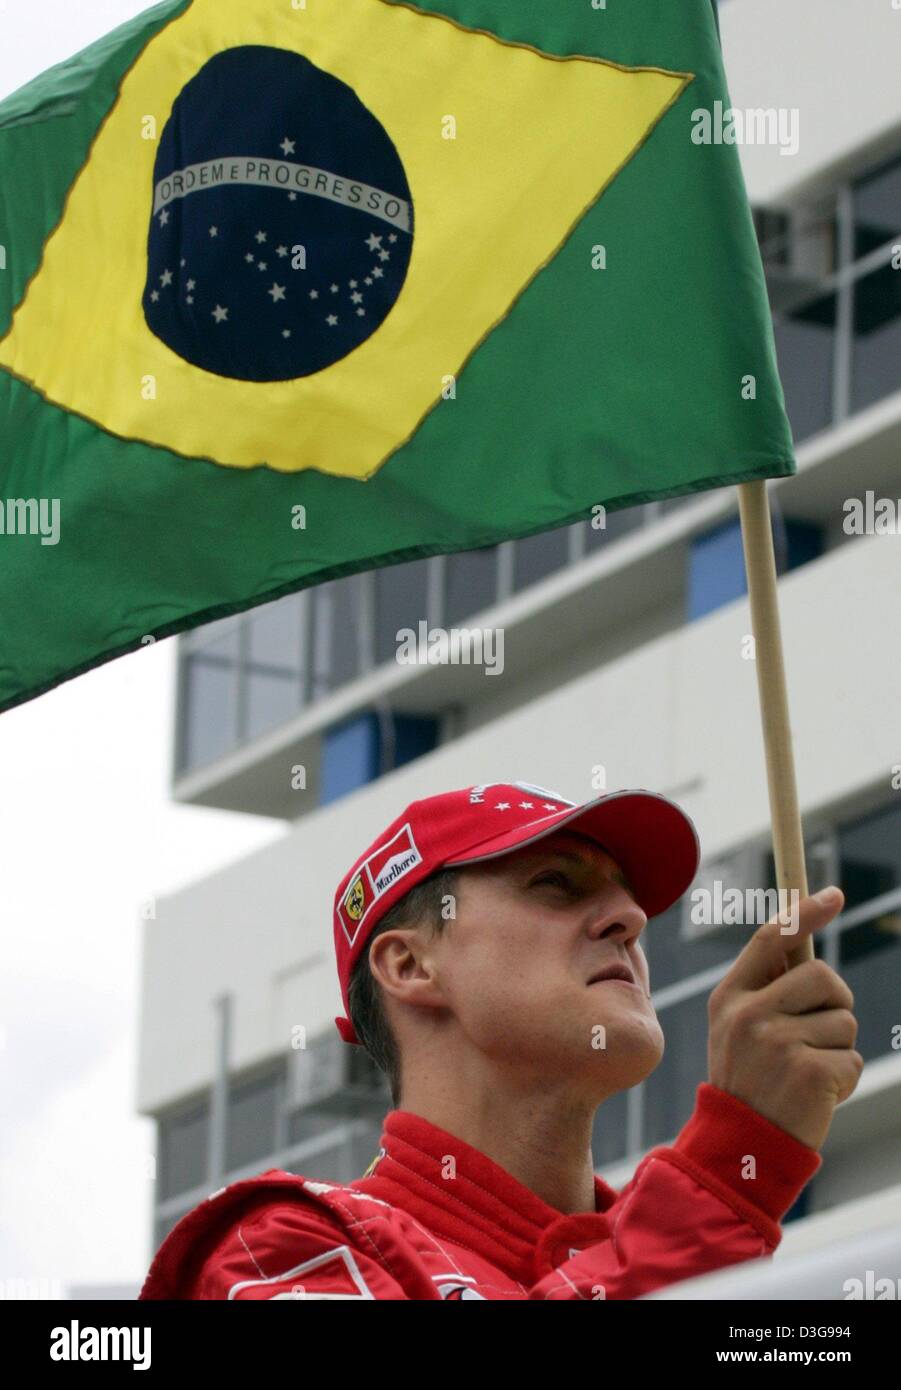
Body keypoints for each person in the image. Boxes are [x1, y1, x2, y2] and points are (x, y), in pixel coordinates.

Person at [139, 780, 861, 1300]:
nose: (629, 917)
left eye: (624, 895)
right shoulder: (276, 1245)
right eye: (555, 883)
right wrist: (728, 1169)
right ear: (410, 964)